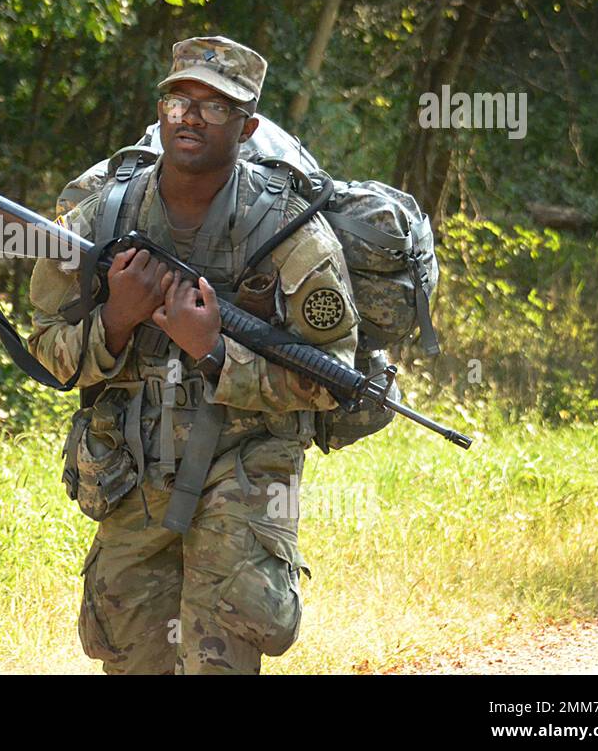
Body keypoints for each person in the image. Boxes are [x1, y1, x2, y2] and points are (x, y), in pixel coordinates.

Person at [27, 36, 359, 674]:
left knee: (219, 653)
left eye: (216, 105)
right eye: (179, 100)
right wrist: (116, 321)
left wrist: (213, 352)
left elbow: (332, 379)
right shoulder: (97, 213)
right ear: (160, 113)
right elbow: (46, 352)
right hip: (129, 459)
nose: (192, 115)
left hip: (244, 461)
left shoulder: (289, 231)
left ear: (248, 126)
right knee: (131, 654)